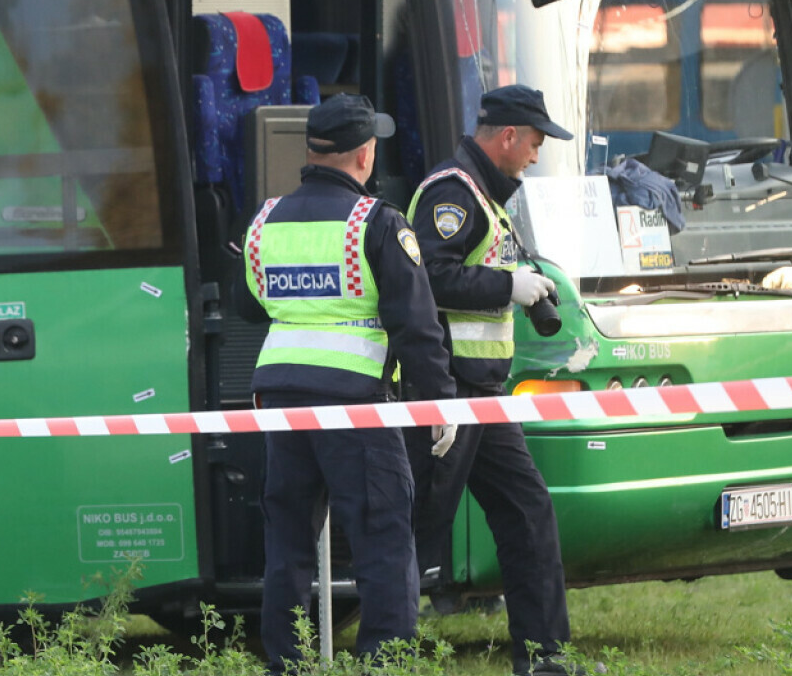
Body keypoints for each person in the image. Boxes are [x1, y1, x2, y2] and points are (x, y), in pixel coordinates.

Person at [245, 94, 456, 671]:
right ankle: (384, 662)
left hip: (281, 400)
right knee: (383, 536)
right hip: (355, 403)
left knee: (287, 541)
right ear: (365, 154)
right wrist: (439, 403)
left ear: (311, 149)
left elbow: (255, 301)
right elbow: (416, 324)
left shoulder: (265, 220)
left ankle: (286, 662)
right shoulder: (377, 222)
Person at [405, 84, 574, 676]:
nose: (536, 154)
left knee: (528, 511)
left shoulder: (484, 193)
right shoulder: (451, 192)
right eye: (533, 142)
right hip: (447, 391)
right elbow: (427, 278)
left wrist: (517, 282)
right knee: (415, 528)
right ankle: (390, 655)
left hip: (483, 395)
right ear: (506, 136)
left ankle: (546, 657)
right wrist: (508, 287)